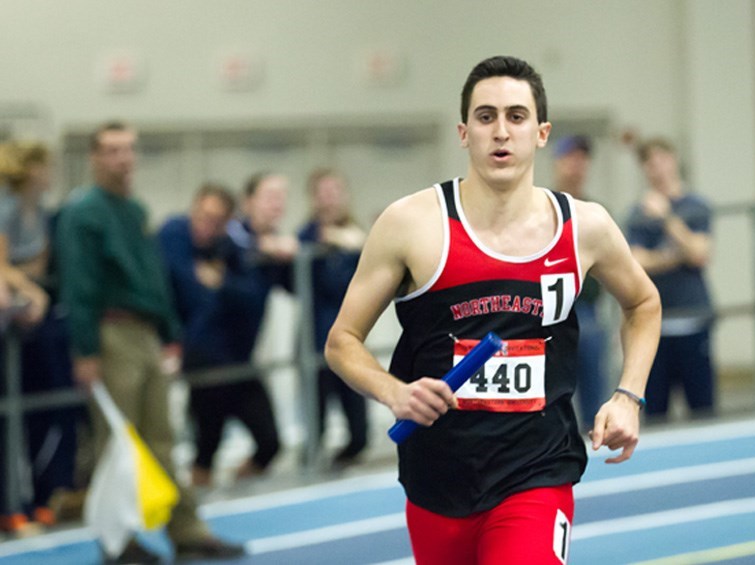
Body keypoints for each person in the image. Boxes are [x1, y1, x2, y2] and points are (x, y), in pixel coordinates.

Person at [325, 55, 661, 564]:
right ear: (464, 133)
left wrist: (628, 396)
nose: (501, 131)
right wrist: (394, 392)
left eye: (516, 116)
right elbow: (341, 342)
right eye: (486, 117)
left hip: (538, 472)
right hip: (437, 479)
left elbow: (643, 302)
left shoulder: (583, 226)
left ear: (541, 133)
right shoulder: (411, 224)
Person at [55, 121, 244, 563]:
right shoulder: (83, 212)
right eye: (113, 150)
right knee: (116, 441)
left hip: (144, 333)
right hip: (111, 332)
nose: (124, 158)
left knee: (163, 438)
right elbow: (79, 284)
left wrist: (168, 333)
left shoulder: (135, 209)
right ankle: (118, 541)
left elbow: (153, 277)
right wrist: (86, 349)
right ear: (95, 157)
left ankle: (186, 530)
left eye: (129, 149)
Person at [158, 183, 280, 487]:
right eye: (202, 216)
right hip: (202, 360)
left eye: (215, 221)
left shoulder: (232, 248)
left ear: (226, 223)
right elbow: (168, 291)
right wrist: (170, 344)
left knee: (270, 442)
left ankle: (233, 490)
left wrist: (222, 283)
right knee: (206, 445)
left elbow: (254, 295)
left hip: (237, 360)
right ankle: (200, 500)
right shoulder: (173, 236)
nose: (205, 226)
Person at [0, 141, 77, 534]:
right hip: (10, 323)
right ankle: (11, 506)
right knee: (9, 418)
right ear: (30, 170)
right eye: (45, 166)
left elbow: (34, 264)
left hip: (30, 320)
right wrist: (29, 290)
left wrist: (27, 284)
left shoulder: (41, 213)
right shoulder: (7, 207)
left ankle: (45, 494)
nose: (50, 174)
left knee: (46, 408)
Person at [626, 138, 716, 421]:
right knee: (655, 415)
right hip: (654, 328)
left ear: (674, 160)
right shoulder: (638, 213)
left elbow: (700, 254)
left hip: (693, 321)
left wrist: (666, 217)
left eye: (662, 159)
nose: (658, 168)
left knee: (703, 411)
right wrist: (677, 256)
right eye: (650, 163)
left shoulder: (696, 205)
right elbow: (636, 261)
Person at [297, 168, 368, 466]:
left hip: (351, 339)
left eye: (334, 192)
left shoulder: (360, 237)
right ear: (313, 199)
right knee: (316, 428)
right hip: (315, 340)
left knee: (359, 433)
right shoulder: (306, 237)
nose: (329, 200)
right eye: (323, 193)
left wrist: (353, 241)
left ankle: (341, 465)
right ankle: (313, 474)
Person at [551, 135, 610, 427]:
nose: (577, 165)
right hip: (549, 311)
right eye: (571, 158)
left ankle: (594, 434)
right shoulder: (542, 207)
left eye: (582, 159)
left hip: (586, 308)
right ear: (557, 162)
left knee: (593, 389)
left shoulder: (596, 212)